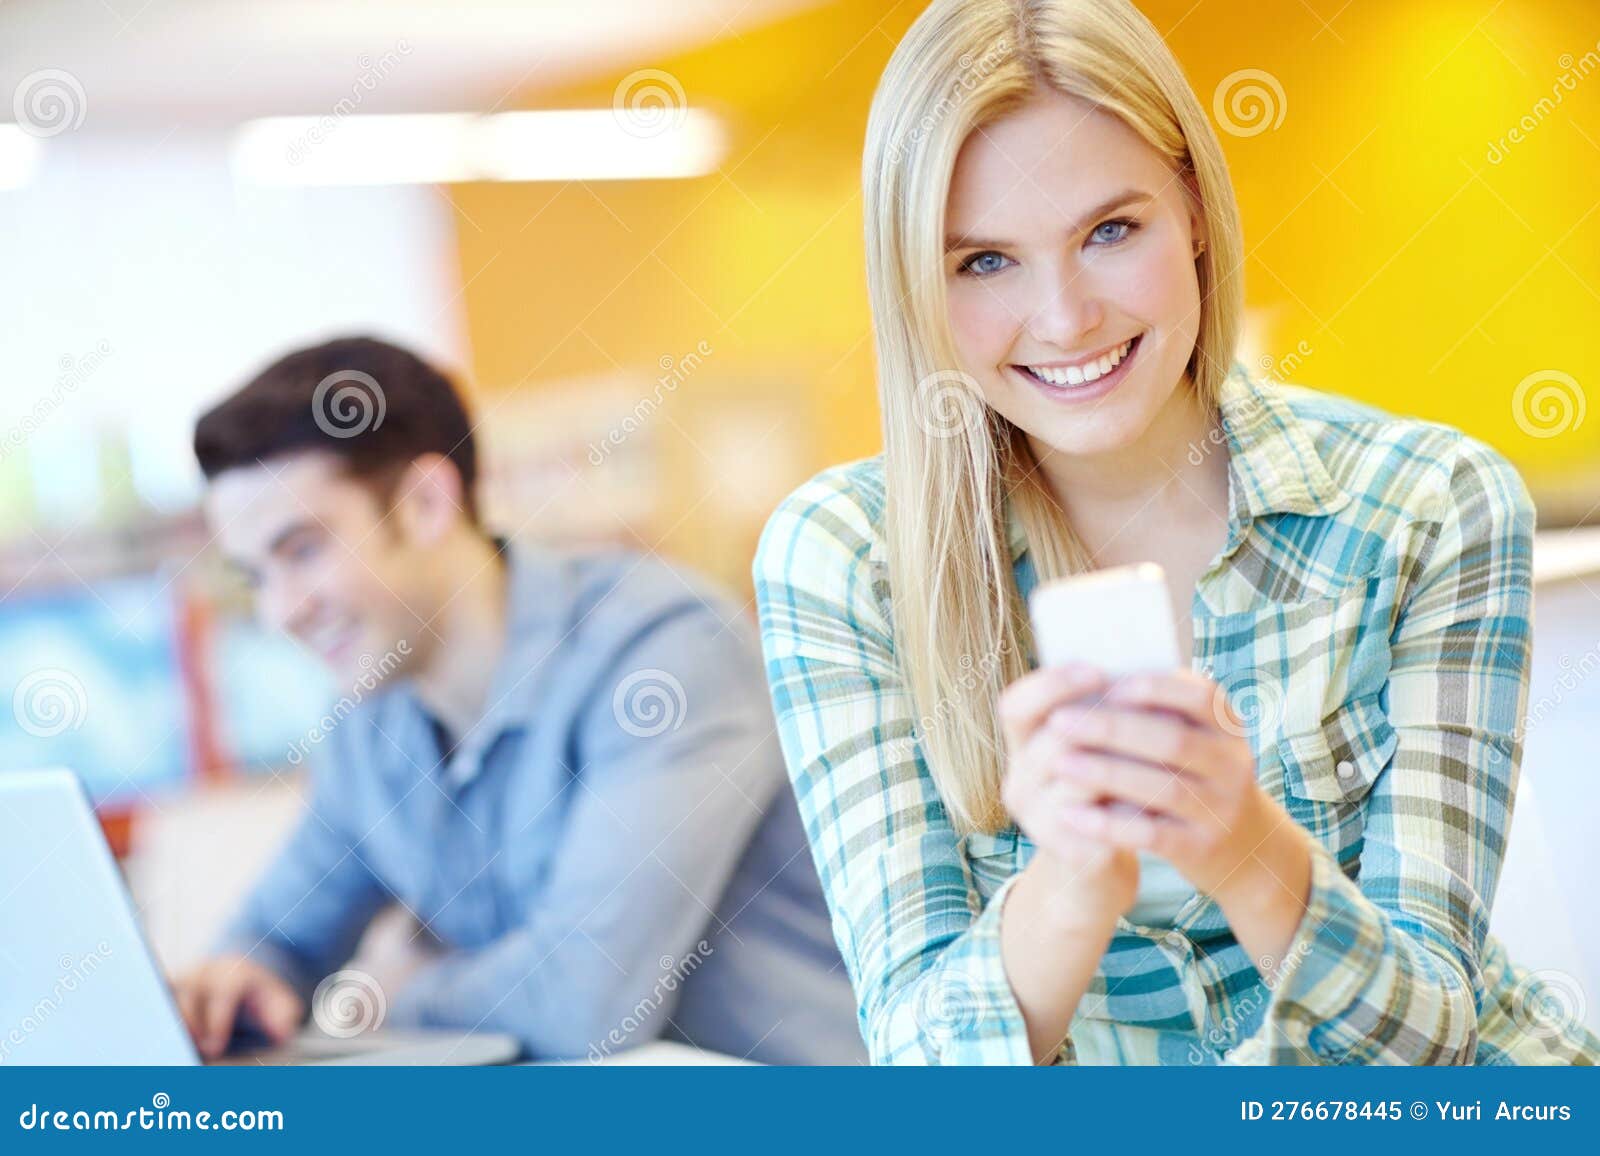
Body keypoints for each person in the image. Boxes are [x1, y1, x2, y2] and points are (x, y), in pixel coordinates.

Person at [752, 0, 1600, 1065]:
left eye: (1110, 231)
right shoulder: (847, 560)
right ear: (917, 282)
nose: (1064, 319)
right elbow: (925, 1074)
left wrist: (1244, 845)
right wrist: (1072, 879)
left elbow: (1426, 1040)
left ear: (1193, 208)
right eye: (982, 262)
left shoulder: (1428, 504)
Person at [176, 336, 862, 1064]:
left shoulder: (662, 652)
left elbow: (582, 1005)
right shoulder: (371, 721)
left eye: (303, 550)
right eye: (255, 575)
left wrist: (393, 989)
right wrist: (242, 979)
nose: (280, 612)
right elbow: (280, 938)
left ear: (426, 504)